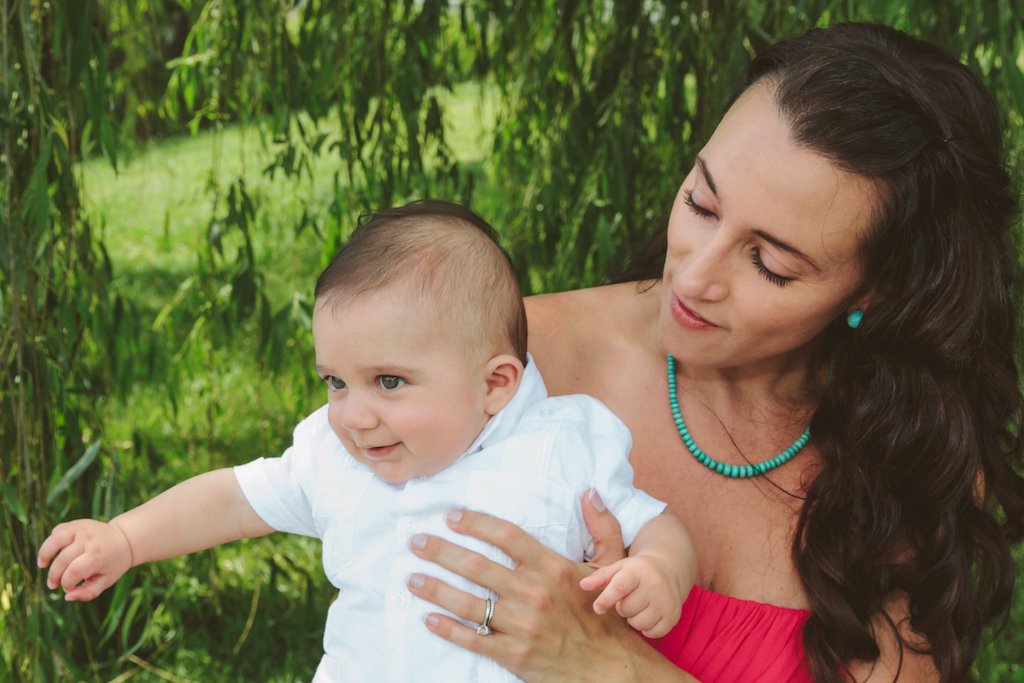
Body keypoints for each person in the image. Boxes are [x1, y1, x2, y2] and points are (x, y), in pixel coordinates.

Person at [399, 22, 1024, 682]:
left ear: (875, 289)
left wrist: (615, 665)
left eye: (771, 263)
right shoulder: (517, 364)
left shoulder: (910, 452)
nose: (694, 278)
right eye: (701, 202)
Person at [36, 201, 697, 682]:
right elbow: (235, 500)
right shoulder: (336, 456)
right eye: (335, 381)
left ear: (495, 384)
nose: (353, 414)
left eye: (389, 380)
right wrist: (126, 537)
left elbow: (655, 525)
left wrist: (659, 569)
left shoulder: (562, 446)